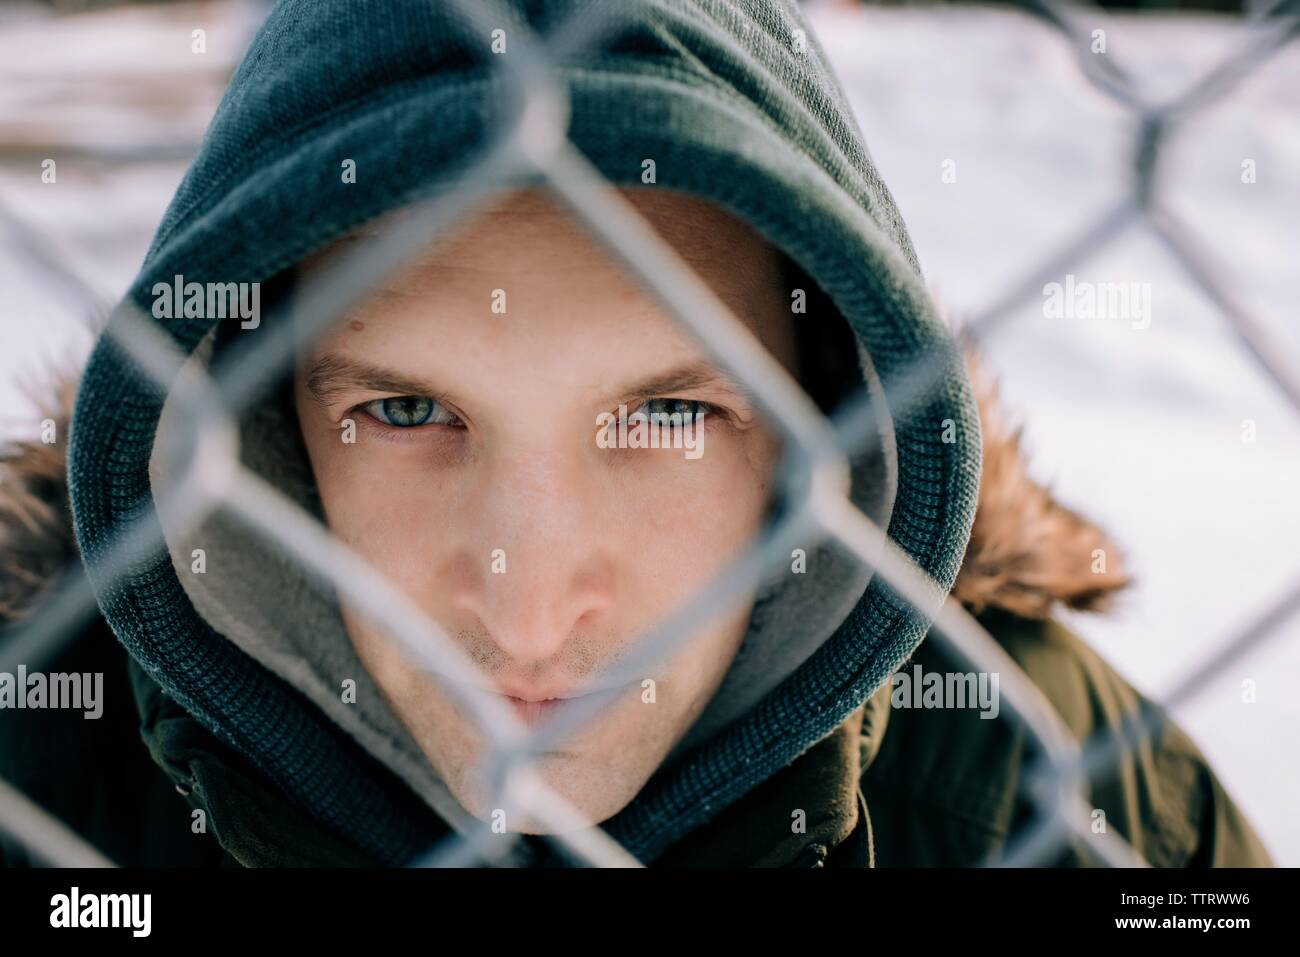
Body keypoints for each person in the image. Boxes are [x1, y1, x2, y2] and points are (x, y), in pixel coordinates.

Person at [0, 0, 1271, 867]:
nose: (530, 613)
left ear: (821, 412)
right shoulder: (41, 769)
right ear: (259, 422)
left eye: (668, 412)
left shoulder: (1053, 782)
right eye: (402, 411)